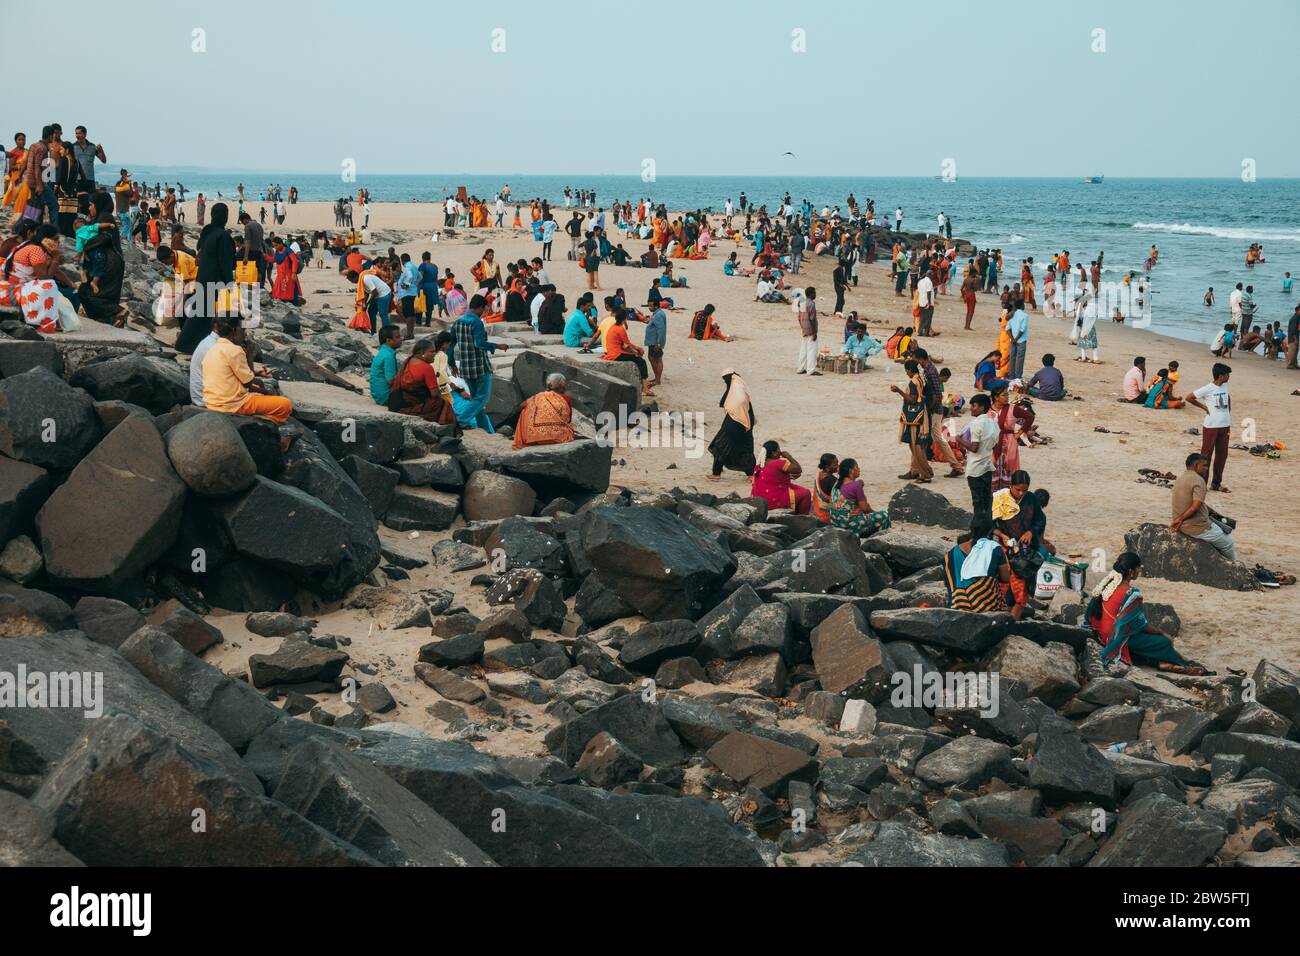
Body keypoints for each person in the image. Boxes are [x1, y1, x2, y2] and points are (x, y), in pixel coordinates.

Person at [1087, 553, 1208, 675]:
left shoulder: (1108, 583)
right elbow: (1141, 625)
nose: (1140, 570)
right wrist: (1162, 633)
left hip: (1102, 633)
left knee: (1143, 640)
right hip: (1115, 637)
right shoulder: (1131, 594)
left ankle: (1158, 663)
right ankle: (1176, 664)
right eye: (1139, 567)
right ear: (1131, 571)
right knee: (1162, 642)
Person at [202, 317, 293, 424]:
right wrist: (249, 356)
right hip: (232, 405)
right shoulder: (234, 350)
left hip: (212, 402)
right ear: (234, 331)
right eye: (242, 330)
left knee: (260, 388)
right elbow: (248, 383)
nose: (244, 334)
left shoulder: (213, 349)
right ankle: (261, 421)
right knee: (285, 404)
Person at [177, 202, 235, 354]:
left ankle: (188, 343)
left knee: (201, 313)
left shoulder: (208, 232)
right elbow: (225, 263)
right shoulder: (223, 236)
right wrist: (230, 283)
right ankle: (187, 344)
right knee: (206, 314)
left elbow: (200, 251)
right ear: (225, 216)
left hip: (203, 276)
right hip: (215, 279)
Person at [450, 294, 508, 431]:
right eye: (484, 309)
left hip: (465, 367)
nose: (483, 313)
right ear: (480, 307)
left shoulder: (457, 322)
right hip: (480, 367)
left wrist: (452, 364)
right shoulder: (476, 322)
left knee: (477, 399)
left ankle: (485, 429)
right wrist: (497, 346)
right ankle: (462, 420)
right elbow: (479, 343)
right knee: (482, 398)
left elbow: (451, 345)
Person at [1171, 452, 1239, 562]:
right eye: (1204, 466)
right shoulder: (1198, 480)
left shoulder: (1180, 478)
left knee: (1220, 527)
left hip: (1183, 524)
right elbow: (1195, 506)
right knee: (1228, 543)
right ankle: (1236, 567)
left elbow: (1195, 503)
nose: (1207, 469)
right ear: (1196, 465)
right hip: (1197, 527)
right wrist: (1180, 519)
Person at [389, 336, 459, 428]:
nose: (434, 354)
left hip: (396, 403)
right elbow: (435, 394)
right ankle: (447, 430)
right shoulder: (427, 368)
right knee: (444, 404)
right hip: (412, 405)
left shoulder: (409, 360)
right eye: (432, 351)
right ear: (422, 353)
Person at [943, 518, 1011, 613]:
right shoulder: (994, 548)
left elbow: (948, 581)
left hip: (957, 603)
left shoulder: (951, 554)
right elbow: (1005, 578)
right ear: (990, 531)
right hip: (986, 605)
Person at [1184, 363, 1232, 492]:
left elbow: (1227, 397)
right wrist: (1204, 407)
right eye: (1227, 375)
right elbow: (1189, 397)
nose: (1228, 377)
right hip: (1211, 426)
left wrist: (1228, 411)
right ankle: (1202, 483)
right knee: (1206, 455)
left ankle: (1216, 483)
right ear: (1220, 376)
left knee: (1222, 455)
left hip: (1225, 426)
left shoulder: (1225, 385)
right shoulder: (1208, 388)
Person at [707, 369, 755, 480]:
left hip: (735, 422)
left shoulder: (735, 388)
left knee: (721, 446)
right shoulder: (738, 385)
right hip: (746, 421)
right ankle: (750, 474)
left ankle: (716, 474)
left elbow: (726, 402)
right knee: (745, 447)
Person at [958, 393, 999, 521]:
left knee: (977, 502)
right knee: (987, 500)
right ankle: (987, 528)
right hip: (987, 466)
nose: (971, 408)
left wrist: (959, 440)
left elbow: (974, 448)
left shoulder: (976, 424)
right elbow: (994, 445)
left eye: (974, 406)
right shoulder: (993, 424)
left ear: (981, 407)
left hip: (976, 468)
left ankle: (978, 530)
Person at [891, 359, 933, 484]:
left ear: (910, 370)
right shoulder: (921, 378)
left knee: (916, 446)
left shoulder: (913, 382)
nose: (906, 373)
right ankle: (926, 470)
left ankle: (925, 474)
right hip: (923, 414)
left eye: (906, 371)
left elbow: (913, 399)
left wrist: (899, 391)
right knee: (918, 446)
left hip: (916, 418)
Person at [827, 458, 891, 537]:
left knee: (856, 508)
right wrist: (873, 512)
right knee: (884, 515)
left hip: (835, 522)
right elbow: (865, 508)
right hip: (847, 524)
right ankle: (880, 538)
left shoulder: (836, 483)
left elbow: (833, 502)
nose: (859, 469)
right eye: (857, 467)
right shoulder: (856, 486)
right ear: (851, 470)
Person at [513, 372, 575, 449]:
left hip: (535, 438)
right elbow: (568, 419)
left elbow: (521, 405)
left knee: (526, 409)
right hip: (559, 437)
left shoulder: (538, 396)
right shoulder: (566, 398)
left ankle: (529, 435)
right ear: (562, 385)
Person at [750, 440, 811, 514]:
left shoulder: (759, 464)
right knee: (806, 493)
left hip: (759, 498)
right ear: (773, 453)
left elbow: (771, 478)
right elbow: (798, 469)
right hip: (773, 500)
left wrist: (789, 477)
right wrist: (788, 456)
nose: (780, 452)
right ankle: (803, 517)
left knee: (799, 488)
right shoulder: (778, 463)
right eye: (778, 450)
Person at [601, 309, 652, 394]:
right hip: (616, 354)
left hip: (612, 352)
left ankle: (643, 385)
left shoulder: (614, 326)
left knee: (637, 358)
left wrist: (636, 349)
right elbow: (627, 344)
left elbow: (625, 344)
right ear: (625, 319)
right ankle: (645, 388)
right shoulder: (620, 329)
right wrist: (636, 351)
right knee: (641, 361)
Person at [369, 324, 402, 406]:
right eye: (397, 337)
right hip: (386, 397)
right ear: (388, 340)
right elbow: (391, 381)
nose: (401, 339)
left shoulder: (383, 351)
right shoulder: (388, 356)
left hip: (379, 395)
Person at [796, 286, 819, 375]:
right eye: (814, 293)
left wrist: (802, 327)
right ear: (811, 294)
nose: (815, 295)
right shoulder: (811, 304)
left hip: (804, 329)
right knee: (811, 350)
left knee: (803, 350)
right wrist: (815, 332)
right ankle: (811, 370)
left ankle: (800, 368)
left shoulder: (802, 303)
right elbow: (812, 319)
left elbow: (799, 317)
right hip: (810, 329)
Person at [811, 453, 838, 523]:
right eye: (835, 465)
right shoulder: (831, 479)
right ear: (827, 467)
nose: (838, 466)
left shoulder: (819, 474)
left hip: (816, 512)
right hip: (826, 516)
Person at [644, 303, 667, 386]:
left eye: (650, 306)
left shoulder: (658, 315)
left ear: (656, 306)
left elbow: (661, 329)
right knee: (654, 358)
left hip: (655, 341)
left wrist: (658, 343)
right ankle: (657, 378)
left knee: (656, 359)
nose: (649, 307)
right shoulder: (657, 313)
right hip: (653, 340)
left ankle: (657, 380)